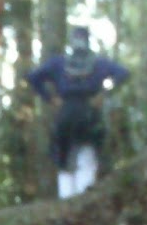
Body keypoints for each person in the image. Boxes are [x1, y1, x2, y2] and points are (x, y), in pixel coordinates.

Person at [25, 25, 130, 199]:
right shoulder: (99, 63)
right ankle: (81, 203)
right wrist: (104, 94)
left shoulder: (58, 63)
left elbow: (33, 77)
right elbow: (123, 73)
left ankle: (67, 204)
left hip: (66, 113)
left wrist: (50, 98)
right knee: (86, 159)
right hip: (89, 113)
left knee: (64, 161)